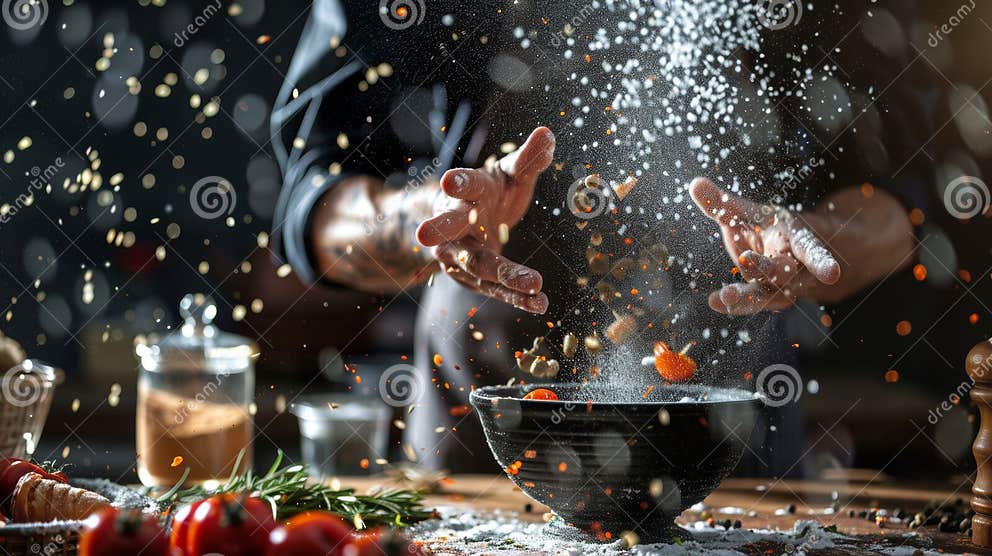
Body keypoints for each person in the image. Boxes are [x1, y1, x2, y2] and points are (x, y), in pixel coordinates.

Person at [272, 0, 935, 475]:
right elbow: (310, 203)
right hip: (481, 418)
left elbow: (905, 201)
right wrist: (428, 227)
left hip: (733, 429)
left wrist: (814, 239)